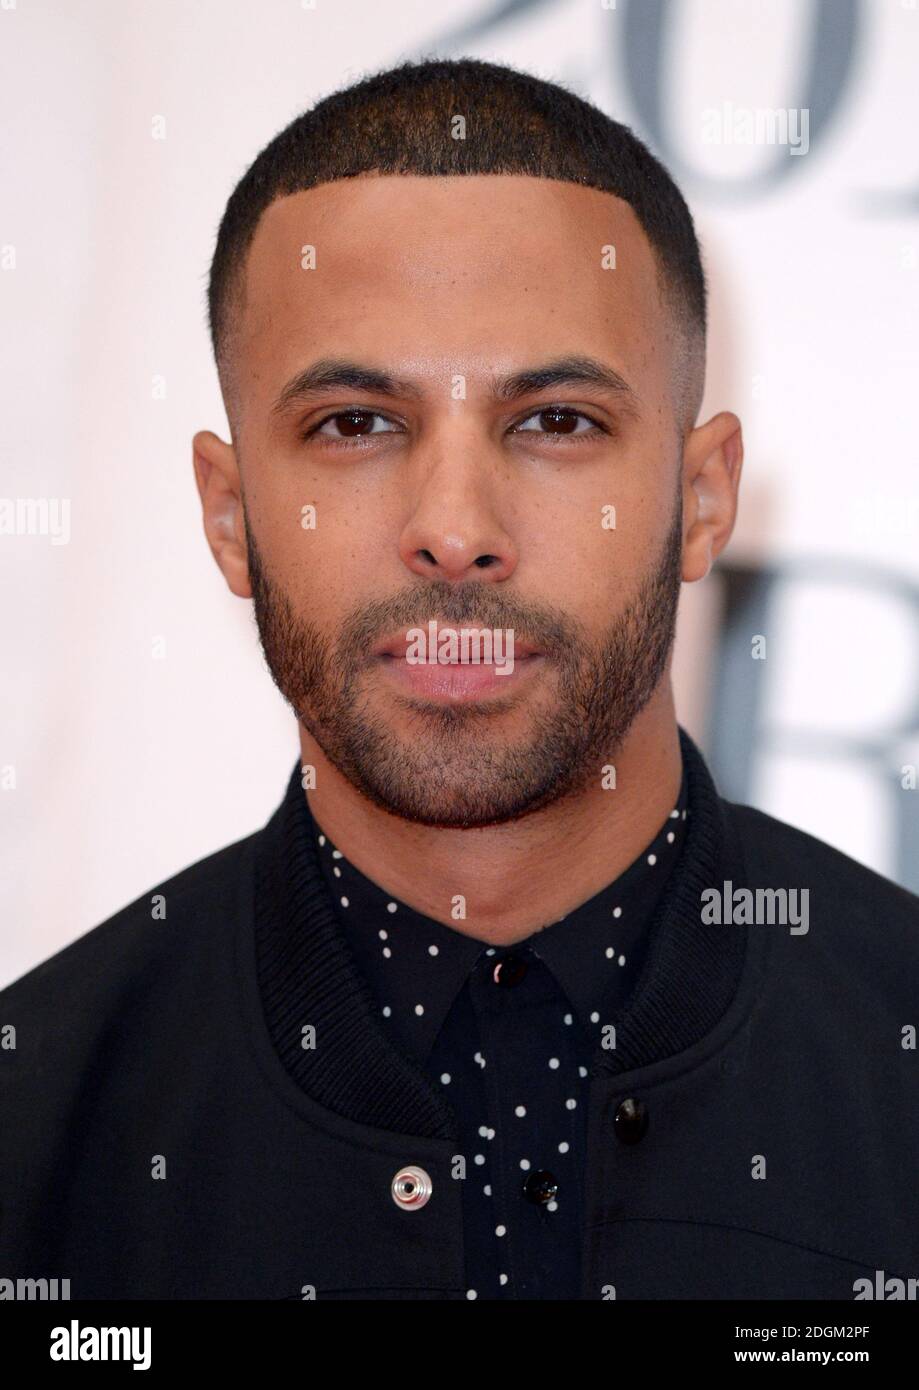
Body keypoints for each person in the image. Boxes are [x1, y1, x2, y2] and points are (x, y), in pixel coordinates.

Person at [2, 57, 917, 1302]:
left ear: (702, 499)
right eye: (355, 424)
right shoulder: (35, 1124)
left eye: (554, 421)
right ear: (228, 514)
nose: (452, 530)